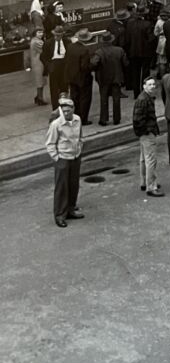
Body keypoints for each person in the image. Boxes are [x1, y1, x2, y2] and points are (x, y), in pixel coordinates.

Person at [45, 95, 84, 228]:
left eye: (69, 111)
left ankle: (71, 209)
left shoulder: (78, 120)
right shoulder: (56, 124)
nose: (66, 113)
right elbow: (50, 143)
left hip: (75, 157)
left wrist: (79, 150)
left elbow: (80, 137)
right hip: (63, 159)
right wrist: (57, 158)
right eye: (64, 111)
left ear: (73, 109)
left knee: (74, 185)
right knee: (61, 188)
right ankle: (60, 215)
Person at [132, 76, 163, 196]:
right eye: (149, 84)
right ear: (144, 86)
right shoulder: (144, 99)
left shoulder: (145, 97)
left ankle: (144, 182)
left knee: (144, 159)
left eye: (153, 84)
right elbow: (137, 119)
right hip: (147, 133)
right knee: (151, 160)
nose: (152, 86)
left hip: (145, 133)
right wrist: (146, 131)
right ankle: (151, 187)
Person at [95, 32, 129, 126]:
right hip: (116, 77)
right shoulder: (119, 50)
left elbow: (94, 63)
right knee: (116, 99)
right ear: (111, 40)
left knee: (104, 98)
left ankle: (103, 119)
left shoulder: (99, 52)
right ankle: (116, 119)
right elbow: (126, 63)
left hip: (103, 79)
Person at [65, 27, 97, 126]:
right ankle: (83, 119)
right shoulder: (85, 50)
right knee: (85, 99)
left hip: (72, 77)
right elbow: (85, 67)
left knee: (74, 97)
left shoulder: (70, 47)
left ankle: (75, 116)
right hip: (83, 78)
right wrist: (93, 64)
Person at [41, 24, 70, 110]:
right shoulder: (48, 43)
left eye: (59, 35)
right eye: (56, 35)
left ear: (62, 35)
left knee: (64, 87)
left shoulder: (67, 41)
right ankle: (56, 108)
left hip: (64, 65)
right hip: (53, 65)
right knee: (54, 88)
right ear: (54, 34)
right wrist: (49, 65)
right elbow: (42, 57)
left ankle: (65, 106)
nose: (57, 37)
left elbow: (70, 54)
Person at [25, 25, 46, 105]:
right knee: (40, 81)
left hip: (37, 62)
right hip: (39, 63)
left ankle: (38, 97)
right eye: (39, 32)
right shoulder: (37, 42)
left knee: (40, 81)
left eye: (42, 32)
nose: (41, 34)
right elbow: (44, 49)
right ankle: (40, 98)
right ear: (35, 33)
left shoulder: (34, 40)